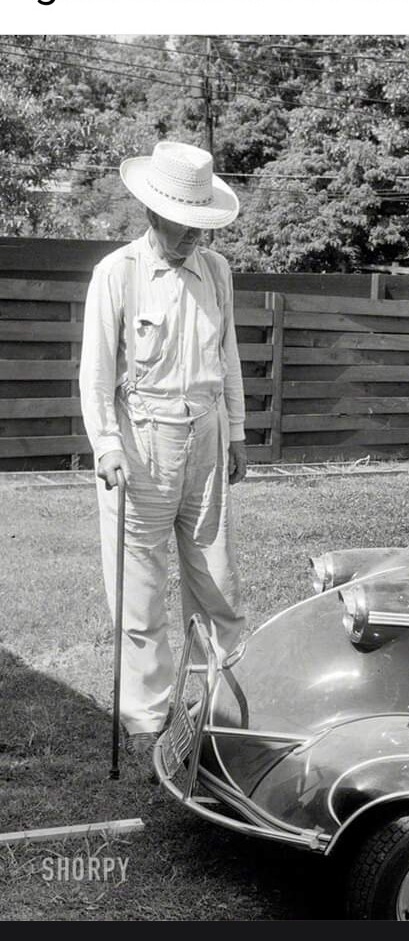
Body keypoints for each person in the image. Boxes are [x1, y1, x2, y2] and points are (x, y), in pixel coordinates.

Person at [79, 140, 247, 758]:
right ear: (153, 214)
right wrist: (106, 445)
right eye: (183, 227)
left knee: (217, 575)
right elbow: (96, 375)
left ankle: (223, 701)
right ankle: (147, 714)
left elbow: (227, 357)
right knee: (141, 586)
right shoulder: (116, 274)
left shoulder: (218, 272)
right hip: (142, 442)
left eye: (201, 228)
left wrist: (235, 434)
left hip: (205, 440)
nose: (192, 239)